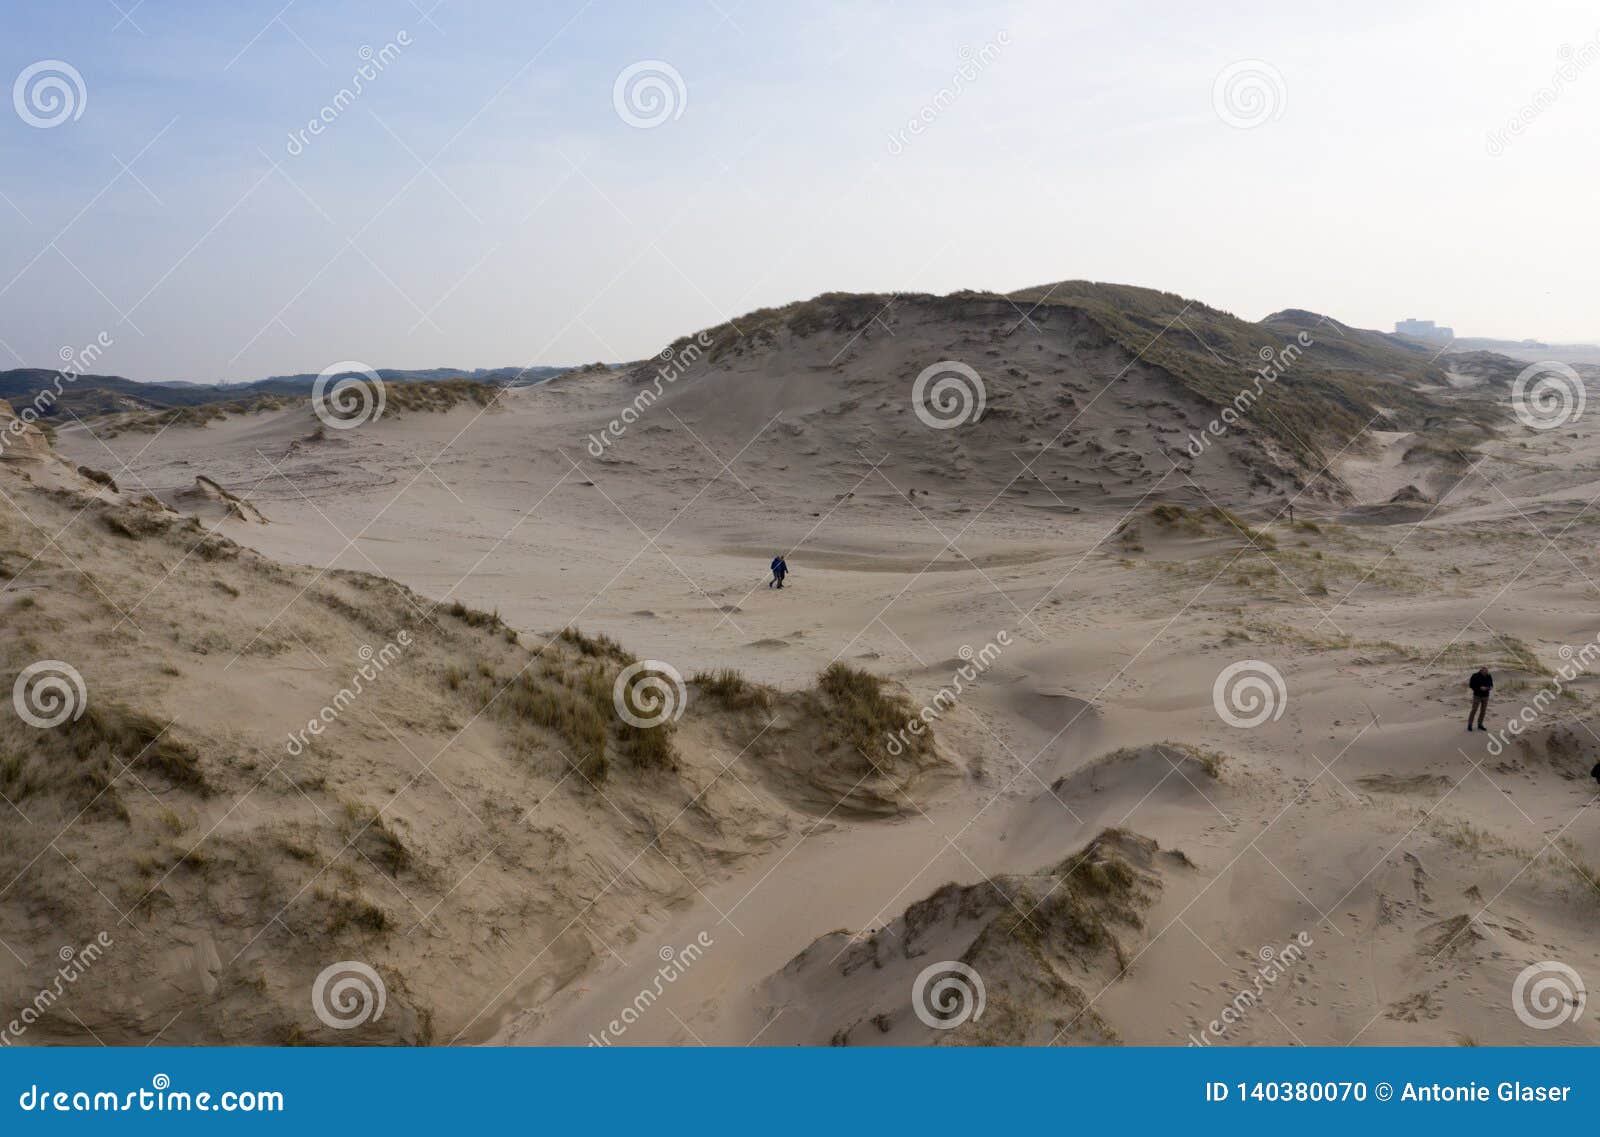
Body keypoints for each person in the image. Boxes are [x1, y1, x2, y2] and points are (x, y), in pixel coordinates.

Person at [1467, 666, 1492, 731]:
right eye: (1485, 672)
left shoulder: (1489, 676)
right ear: (1481, 671)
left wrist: (1489, 687)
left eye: (1487, 671)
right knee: (1474, 710)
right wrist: (1479, 688)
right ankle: (1470, 724)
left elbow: (1491, 684)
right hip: (1477, 695)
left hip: (1486, 695)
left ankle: (1480, 724)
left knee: (1483, 711)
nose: (1486, 673)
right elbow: (1471, 685)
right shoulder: (1475, 676)